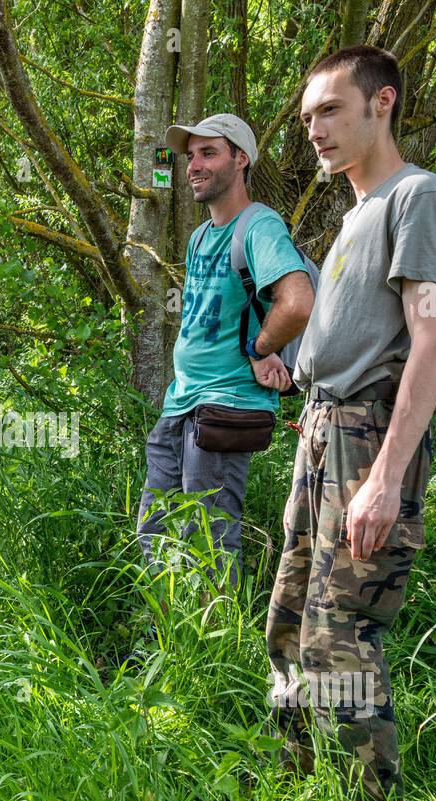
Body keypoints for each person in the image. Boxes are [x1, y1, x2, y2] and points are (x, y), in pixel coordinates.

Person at [266, 45, 436, 801]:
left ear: (382, 104)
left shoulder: (418, 195)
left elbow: (433, 339)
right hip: (319, 433)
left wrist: (384, 476)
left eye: (331, 110)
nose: (315, 129)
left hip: (367, 437)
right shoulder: (354, 212)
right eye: (309, 115)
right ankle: (297, 792)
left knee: (340, 641)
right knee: (288, 625)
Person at [136, 113, 314, 591]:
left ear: (241, 159)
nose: (193, 165)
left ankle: (211, 658)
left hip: (225, 407)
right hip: (181, 401)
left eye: (208, 153)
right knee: (154, 529)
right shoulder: (199, 237)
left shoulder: (259, 226)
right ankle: (164, 640)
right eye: (190, 155)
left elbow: (296, 302)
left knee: (207, 540)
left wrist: (261, 348)